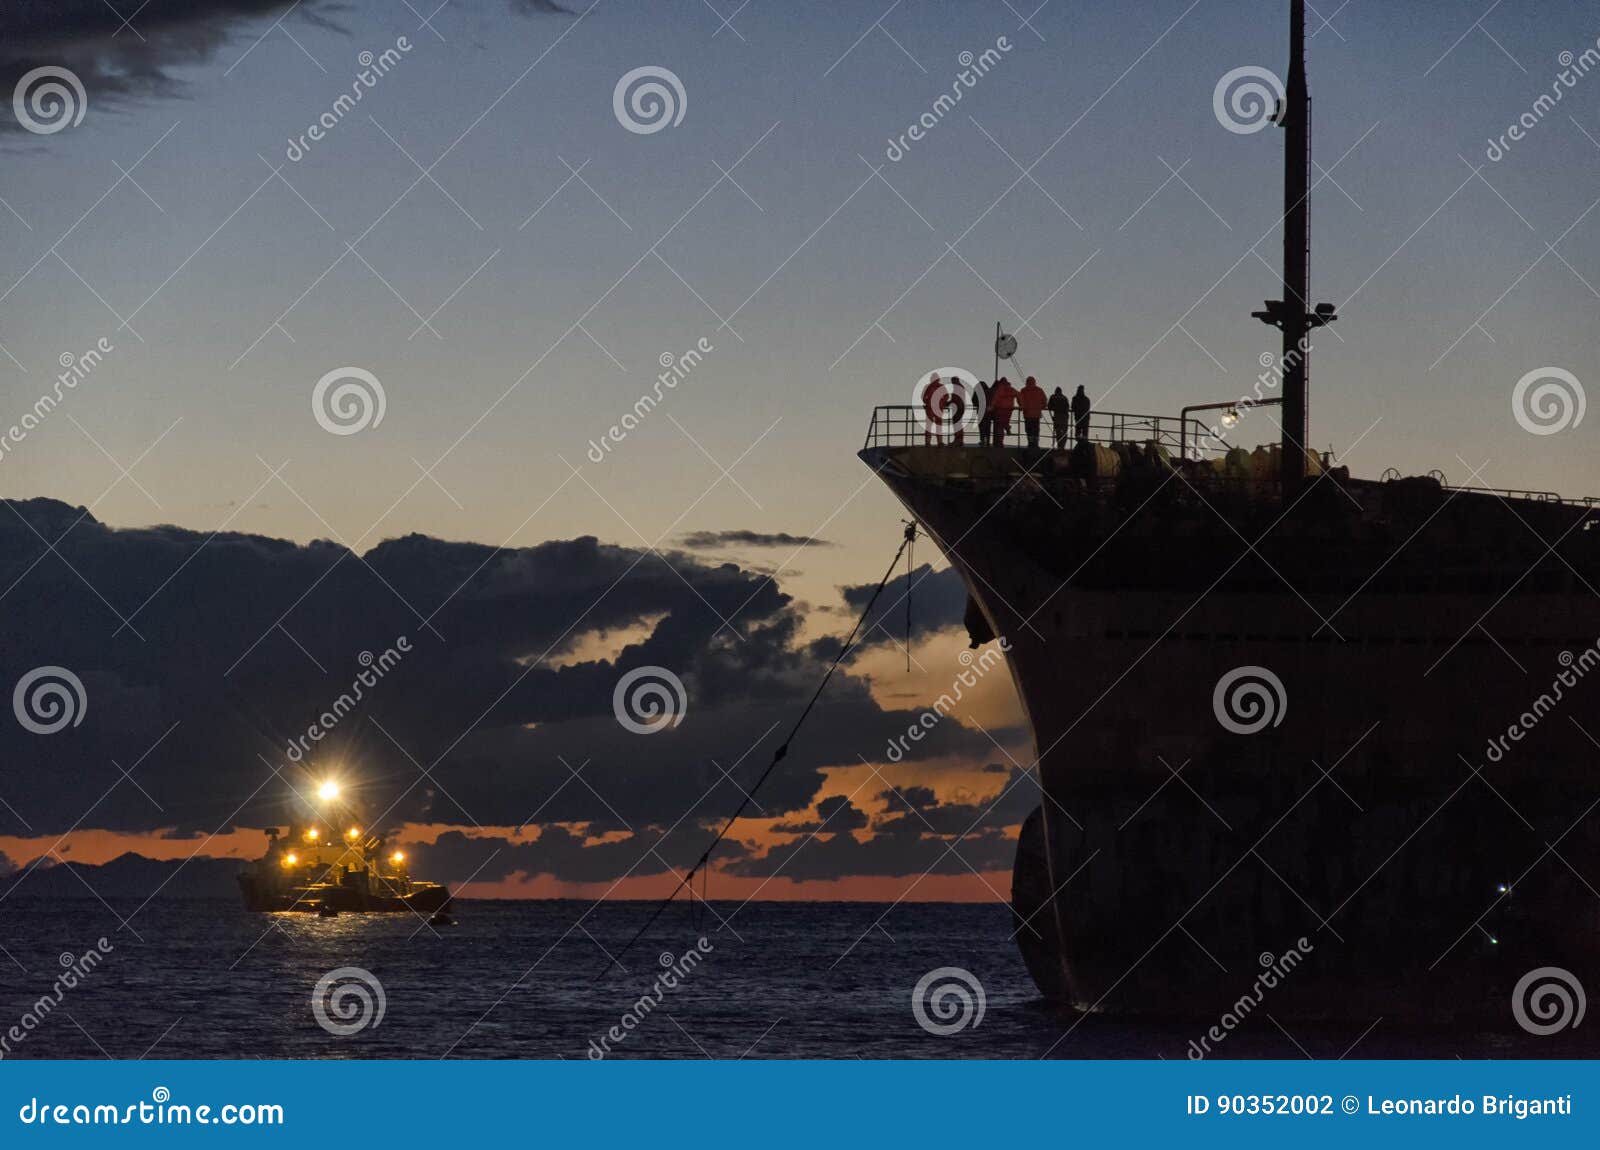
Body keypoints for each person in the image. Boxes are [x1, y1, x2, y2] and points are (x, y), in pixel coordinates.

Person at [1019, 376, 1046, 449]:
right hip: (1036, 415)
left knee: (1029, 430)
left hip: (1027, 414)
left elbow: (1020, 400)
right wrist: (1042, 407)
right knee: (1036, 430)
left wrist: (1022, 406)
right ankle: (1036, 444)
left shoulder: (1024, 390)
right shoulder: (1039, 390)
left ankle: (1030, 443)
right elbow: (1044, 400)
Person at [991, 376, 1018, 447]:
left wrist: (992, 406)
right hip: (1009, 409)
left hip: (1000, 409)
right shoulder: (1011, 389)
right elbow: (1019, 395)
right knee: (1005, 422)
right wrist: (1021, 404)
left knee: (1000, 426)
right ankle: (1007, 427)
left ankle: (1000, 441)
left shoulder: (999, 390)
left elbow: (995, 399)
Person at [976, 379, 994, 446]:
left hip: (981, 411)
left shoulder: (978, 392)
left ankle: (982, 440)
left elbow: (973, 401)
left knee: (981, 426)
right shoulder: (990, 392)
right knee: (988, 426)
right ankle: (988, 441)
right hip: (988, 412)